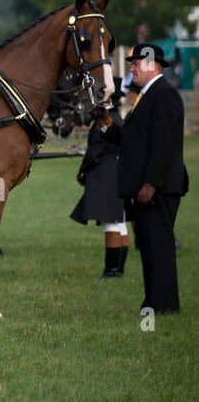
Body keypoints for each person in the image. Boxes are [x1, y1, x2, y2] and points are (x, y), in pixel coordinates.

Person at [98, 43, 188, 315]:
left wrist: (151, 183)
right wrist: (104, 123)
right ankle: (155, 301)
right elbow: (130, 140)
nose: (132, 68)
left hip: (157, 188)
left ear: (152, 64)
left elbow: (164, 145)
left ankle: (164, 305)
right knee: (149, 246)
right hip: (146, 187)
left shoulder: (164, 95)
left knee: (158, 247)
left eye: (137, 63)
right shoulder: (149, 96)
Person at [71, 80, 129, 278]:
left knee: (110, 223)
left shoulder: (106, 120)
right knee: (119, 222)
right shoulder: (117, 116)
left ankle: (111, 269)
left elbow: (95, 150)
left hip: (105, 174)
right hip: (116, 172)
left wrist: (82, 171)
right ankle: (118, 268)